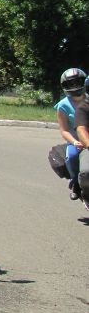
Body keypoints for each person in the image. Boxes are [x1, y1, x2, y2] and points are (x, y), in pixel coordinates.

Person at [55, 68, 87, 200]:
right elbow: (64, 130)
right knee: (72, 156)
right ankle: (75, 183)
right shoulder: (63, 105)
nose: (74, 86)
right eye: (71, 83)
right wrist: (74, 142)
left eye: (77, 82)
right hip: (76, 142)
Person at [74, 77, 89, 209]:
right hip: (88, 147)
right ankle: (87, 195)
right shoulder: (84, 107)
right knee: (86, 172)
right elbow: (81, 129)